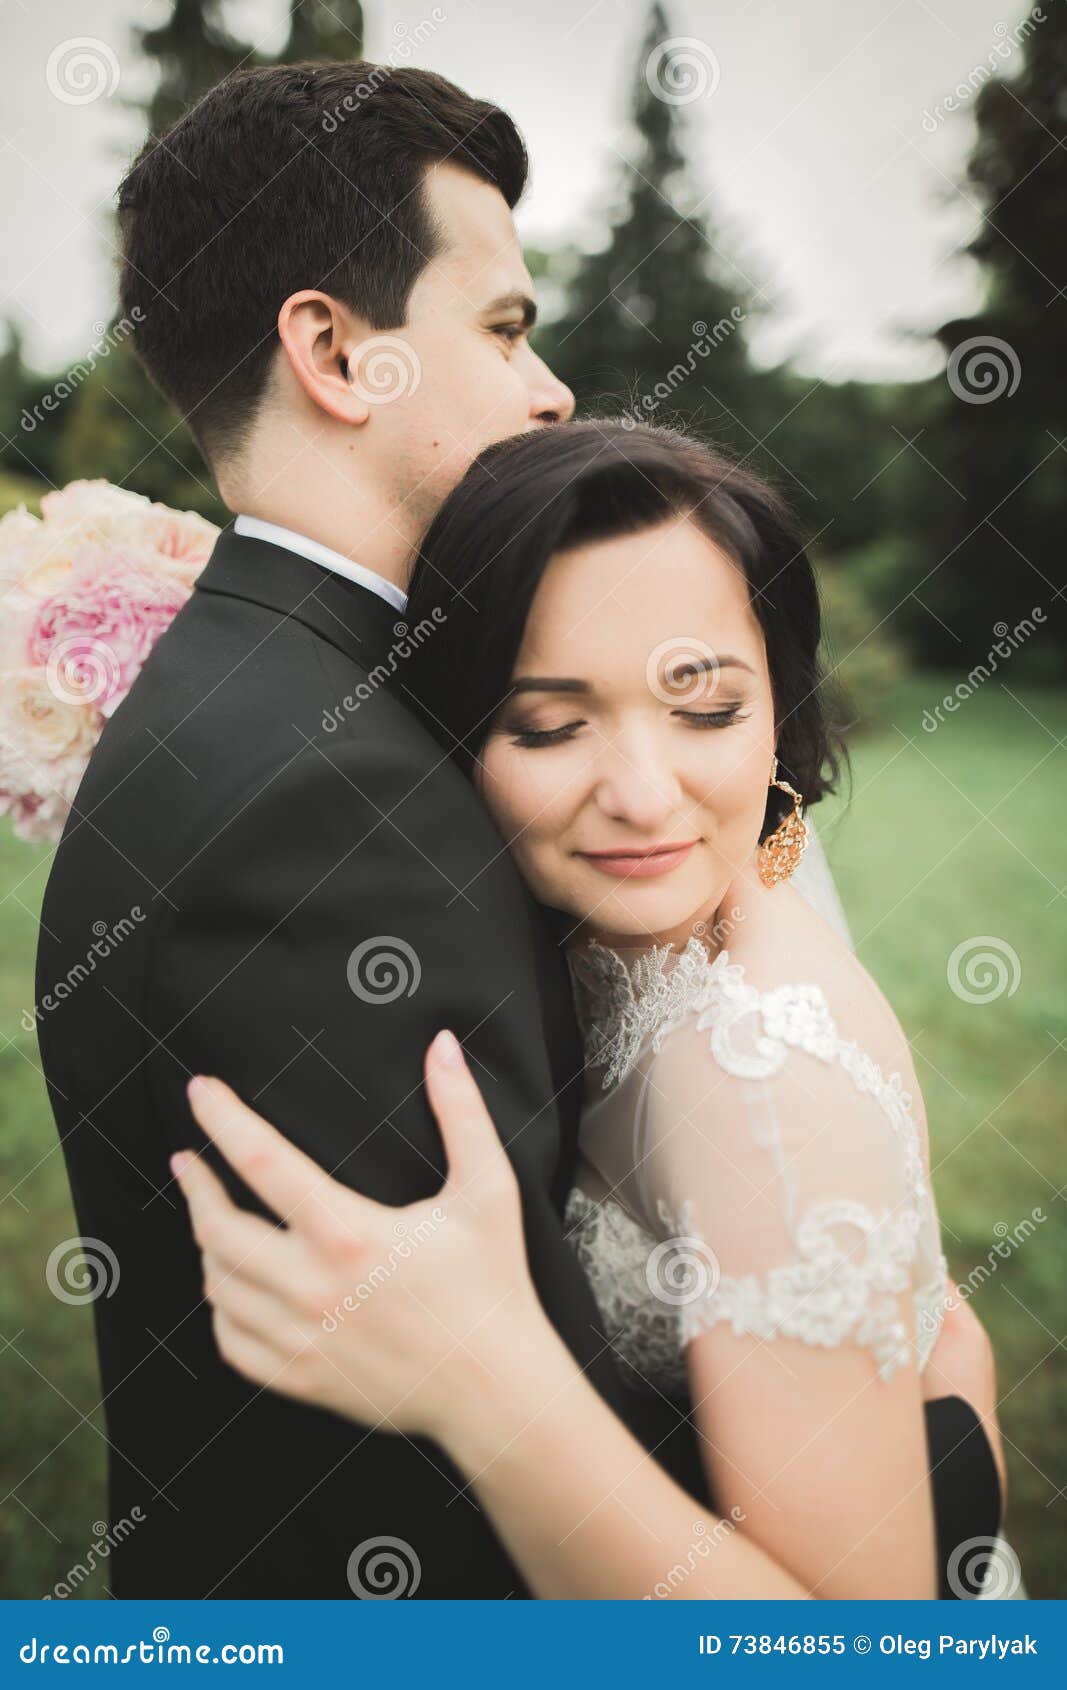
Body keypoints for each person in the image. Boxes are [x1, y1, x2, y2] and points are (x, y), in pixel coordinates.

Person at [35, 60, 998, 1599]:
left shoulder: (291, 688)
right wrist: (948, 1452)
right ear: (336, 352)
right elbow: (437, 1493)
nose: (548, 388)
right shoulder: (331, 799)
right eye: (501, 327)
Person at [173, 423, 1009, 1600]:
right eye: (550, 725)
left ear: (778, 706)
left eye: (705, 709)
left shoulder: (753, 1068)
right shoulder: (624, 943)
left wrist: (488, 1388)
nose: (639, 794)